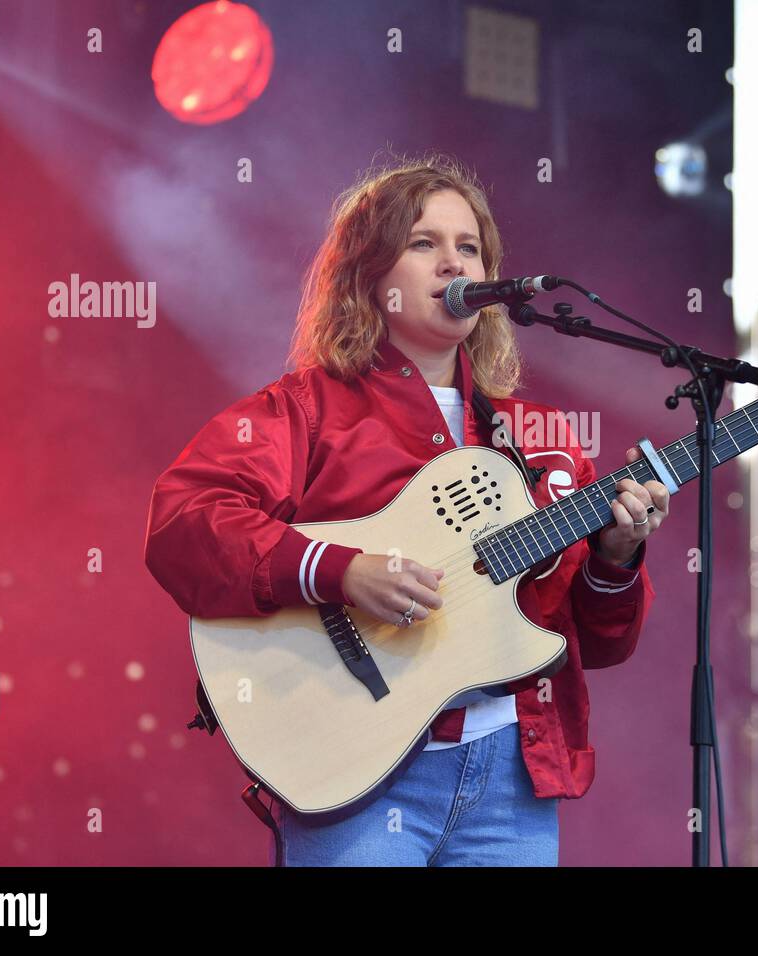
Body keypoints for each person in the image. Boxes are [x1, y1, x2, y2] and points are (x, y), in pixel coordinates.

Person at [143, 154, 669, 866]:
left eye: (470, 247)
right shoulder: (307, 410)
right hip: (362, 773)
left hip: (514, 781)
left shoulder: (543, 441)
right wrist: (340, 571)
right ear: (371, 273)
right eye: (424, 243)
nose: (454, 264)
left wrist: (616, 561)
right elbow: (185, 521)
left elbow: (598, 645)